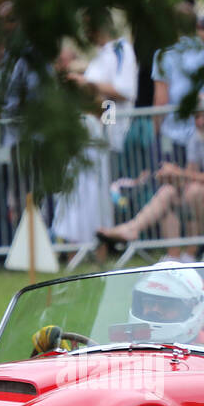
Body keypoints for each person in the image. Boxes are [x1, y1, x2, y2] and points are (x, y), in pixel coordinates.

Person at [96, 102, 204, 259]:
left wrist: (180, 174)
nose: (200, 122)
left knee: (193, 193)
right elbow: (189, 177)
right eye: (197, 117)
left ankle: (193, 254)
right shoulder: (196, 137)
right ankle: (168, 252)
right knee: (170, 191)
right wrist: (174, 179)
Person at [52, 17, 139, 244]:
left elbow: (124, 90)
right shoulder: (101, 56)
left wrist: (87, 85)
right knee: (83, 190)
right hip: (91, 132)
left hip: (109, 131)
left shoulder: (121, 49)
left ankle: (99, 240)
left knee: (98, 192)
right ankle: (79, 240)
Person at [151, 2, 204, 159]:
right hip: (203, 133)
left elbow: (161, 100)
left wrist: (154, 132)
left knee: (168, 182)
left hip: (173, 134)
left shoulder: (163, 56)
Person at [128, 264, 204, 345]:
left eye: (167, 305)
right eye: (149, 302)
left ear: (194, 309)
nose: (155, 310)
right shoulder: (120, 348)